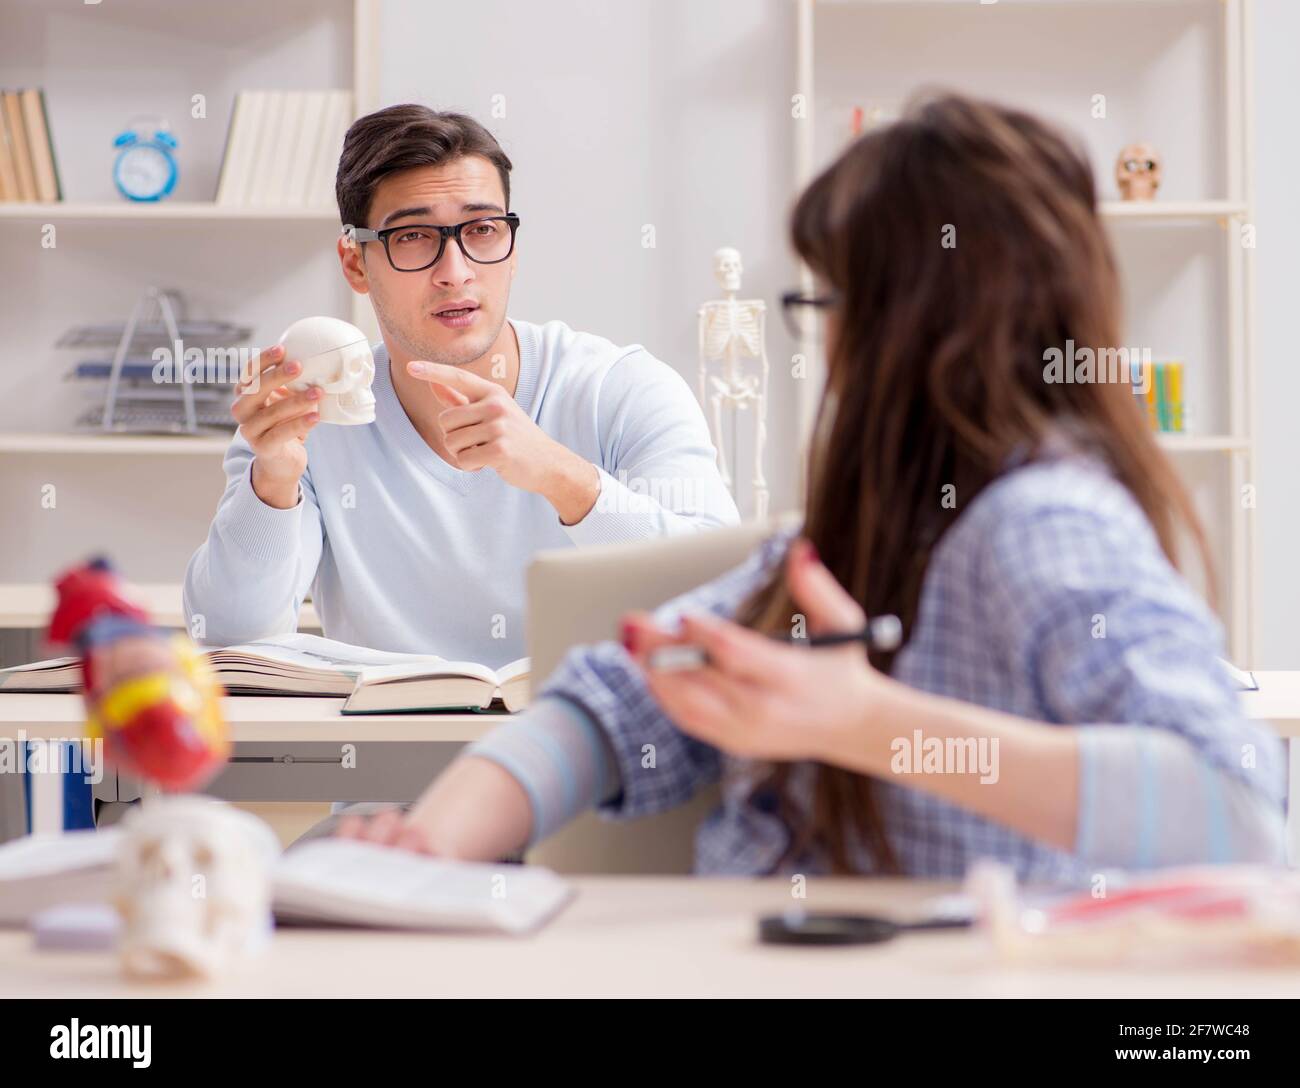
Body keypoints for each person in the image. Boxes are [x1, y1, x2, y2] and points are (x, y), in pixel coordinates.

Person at [337, 94, 1285, 878]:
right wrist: (434, 844)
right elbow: (612, 704)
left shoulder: (1044, 525)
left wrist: (870, 722)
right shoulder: (878, 522)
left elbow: (1236, 803)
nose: (824, 340)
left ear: (920, 319)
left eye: (829, 299)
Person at [184, 106, 738, 667]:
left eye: (481, 230)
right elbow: (229, 636)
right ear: (355, 262)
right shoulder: (312, 413)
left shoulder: (621, 390)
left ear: (512, 246)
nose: (456, 271)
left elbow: (727, 599)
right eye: (414, 236)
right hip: (382, 747)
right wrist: (272, 485)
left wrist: (564, 479)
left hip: (597, 743)